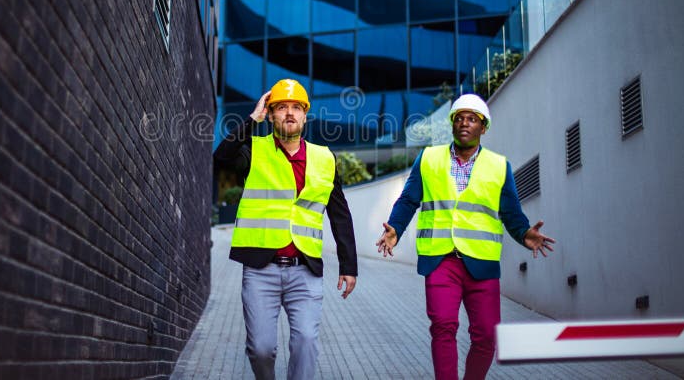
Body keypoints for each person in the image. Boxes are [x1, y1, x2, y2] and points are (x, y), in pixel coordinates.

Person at [376, 94, 555, 380]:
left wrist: (524, 234)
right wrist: (395, 228)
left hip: (481, 263)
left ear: (483, 128)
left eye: (472, 119)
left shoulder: (499, 166)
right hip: (440, 260)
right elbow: (409, 200)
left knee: (486, 336)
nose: (464, 123)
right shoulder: (429, 159)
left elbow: (510, 212)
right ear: (452, 125)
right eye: (459, 118)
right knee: (443, 327)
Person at [214, 78, 358, 380]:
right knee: (261, 349)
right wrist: (252, 118)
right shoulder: (253, 151)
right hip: (260, 269)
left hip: (304, 269)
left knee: (305, 342)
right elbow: (221, 157)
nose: (289, 113)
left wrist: (349, 266)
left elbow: (340, 215)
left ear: (305, 115)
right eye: (281, 107)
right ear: (270, 114)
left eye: (296, 107)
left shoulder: (324, 158)